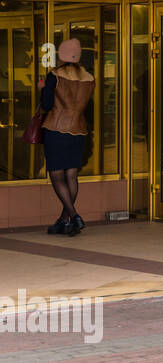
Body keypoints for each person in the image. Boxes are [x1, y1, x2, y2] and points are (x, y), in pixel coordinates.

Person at [41, 39, 95, 236]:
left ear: (61, 56)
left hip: (56, 129)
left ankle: (74, 215)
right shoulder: (89, 78)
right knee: (71, 175)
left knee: (56, 175)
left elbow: (47, 105)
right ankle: (64, 221)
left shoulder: (54, 75)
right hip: (79, 130)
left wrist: (42, 89)